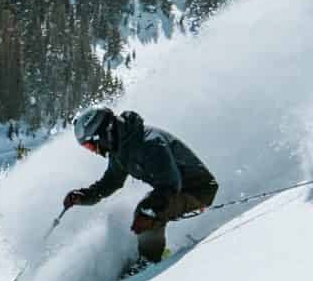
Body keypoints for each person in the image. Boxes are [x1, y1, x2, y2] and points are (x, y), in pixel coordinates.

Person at [62, 105, 219, 265]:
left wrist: (149, 212)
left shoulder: (149, 143)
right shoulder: (121, 149)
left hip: (199, 191)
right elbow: (110, 182)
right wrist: (83, 196)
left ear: (103, 134)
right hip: (177, 191)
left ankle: (151, 262)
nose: (94, 151)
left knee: (146, 210)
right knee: (146, 210)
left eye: (90, 145)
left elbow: (171, 184)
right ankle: (151, 253)